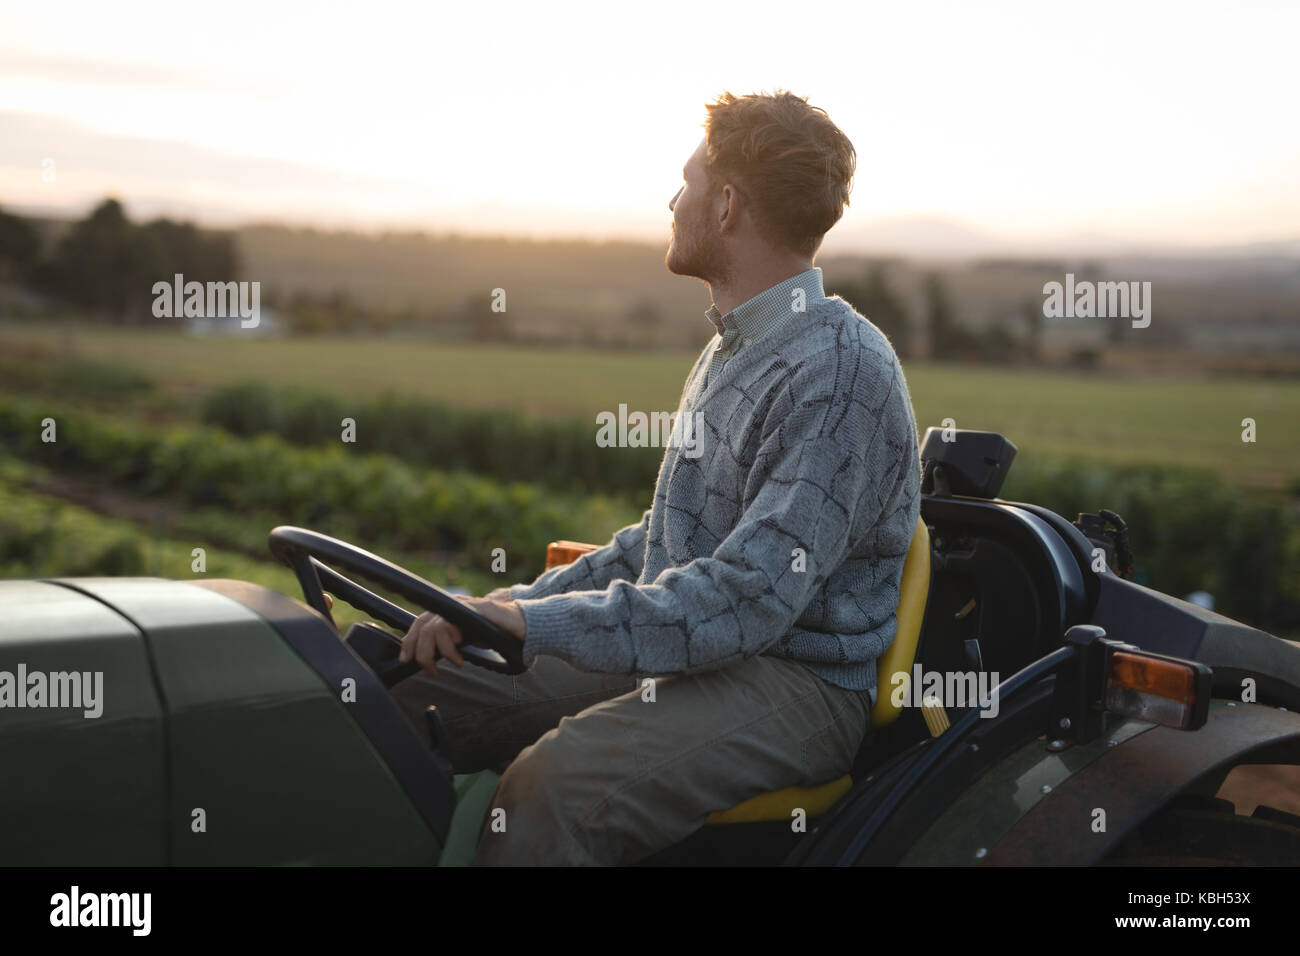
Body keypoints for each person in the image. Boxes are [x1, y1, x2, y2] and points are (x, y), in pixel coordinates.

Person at [392, 90, 921, 865]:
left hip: (795, 682)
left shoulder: (840, 374)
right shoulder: (733, 348)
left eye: (687, 184)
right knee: (413, 690)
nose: (674, 202)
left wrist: (535, 627)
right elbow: (661, 544)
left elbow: (750, 598)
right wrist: (501, 611)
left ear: (728, 205)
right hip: (701, 643)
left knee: (554, 790)